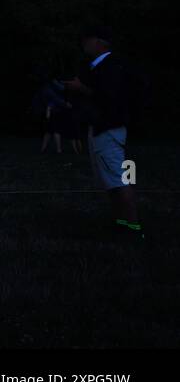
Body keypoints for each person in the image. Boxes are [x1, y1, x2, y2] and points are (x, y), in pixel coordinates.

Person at [62, 26, 143, 240]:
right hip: (100, 129)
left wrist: (81, 89)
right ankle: (122, 222)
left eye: (87, 39)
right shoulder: (100, 67)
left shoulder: (111, 66)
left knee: (118, 179)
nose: (84, 43)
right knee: (110, 181)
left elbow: (111, 99)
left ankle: (134, 229)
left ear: (100, 42)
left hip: (109, 129)